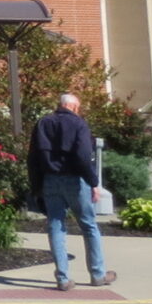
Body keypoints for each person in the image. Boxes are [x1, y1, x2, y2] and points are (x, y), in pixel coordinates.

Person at [28, 91, 116, 291]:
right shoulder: (79, 124)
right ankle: (97, 274)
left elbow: (33, 157)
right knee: (89, 226)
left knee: (56, 226)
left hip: (50, 179)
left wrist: (36, 186)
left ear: (60, 105)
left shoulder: (43, 123)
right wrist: (94, 182)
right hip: (76, 180)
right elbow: (83, 156)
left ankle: (63, 278)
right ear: (75, 107)